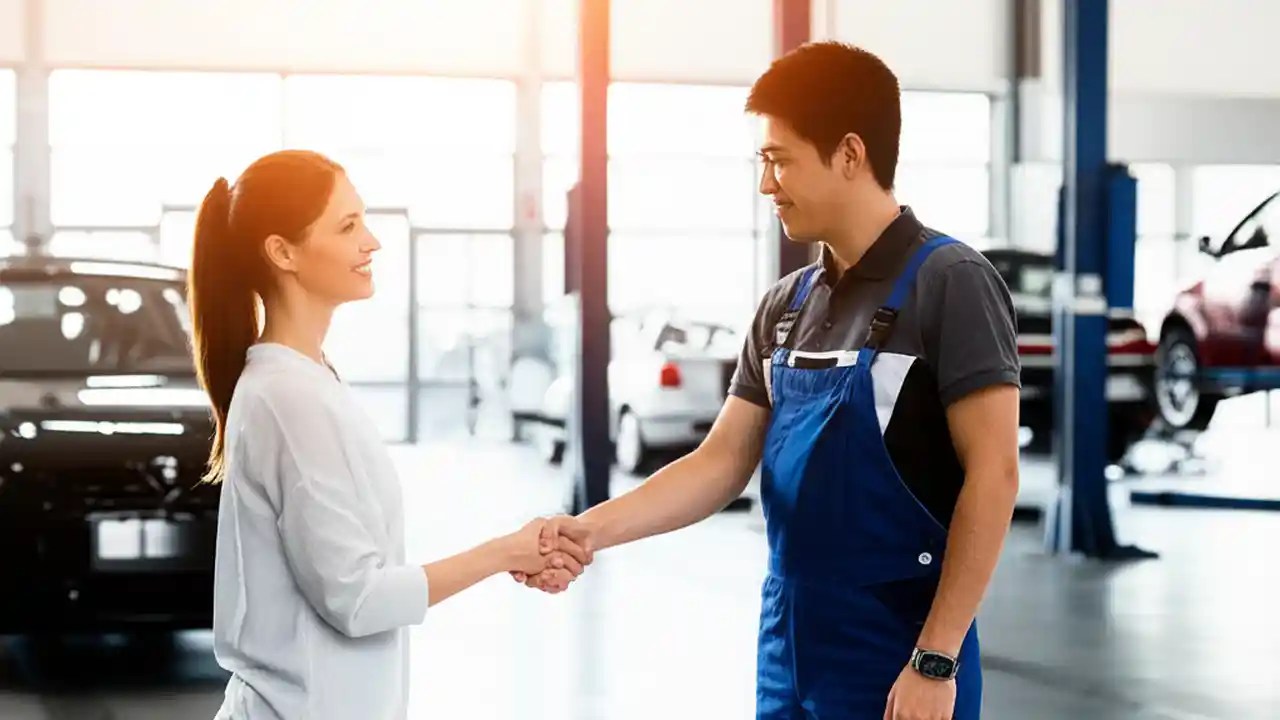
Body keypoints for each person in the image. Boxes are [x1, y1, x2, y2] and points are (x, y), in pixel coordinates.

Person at [522, 42, 1021, 719]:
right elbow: (722, 462)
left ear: (850, 154)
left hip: (898, 645)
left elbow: (994, 475)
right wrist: (590, 531)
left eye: (779, 160)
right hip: (790, 639)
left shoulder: (950, 283)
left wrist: (936, 658)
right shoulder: (787, 305)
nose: (767, 185)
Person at [189, 150, 589, 720]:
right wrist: (506, 552)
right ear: (282, 252)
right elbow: (358, 599)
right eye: (347, 226)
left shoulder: (308, 378)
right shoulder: (289, 397)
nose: (371, 241)